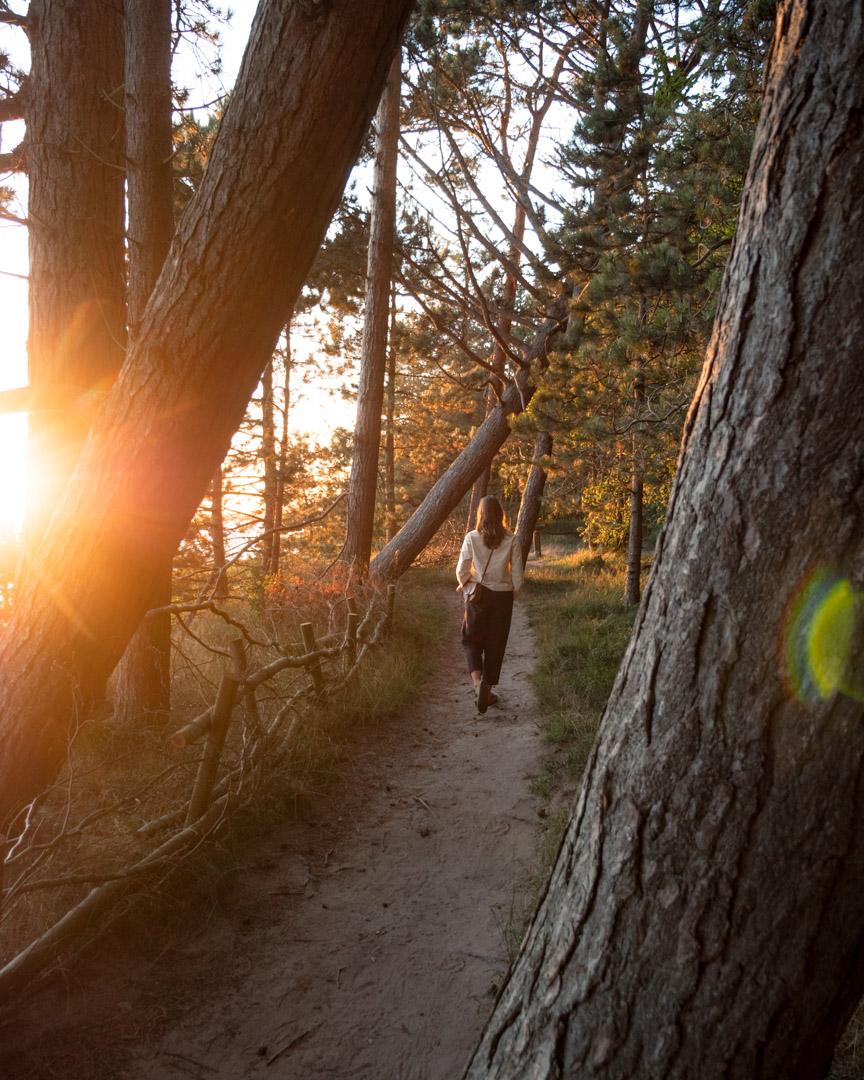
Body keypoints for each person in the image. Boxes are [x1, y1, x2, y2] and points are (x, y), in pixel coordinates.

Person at [456, 494, 524, 713]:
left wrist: (468, 583)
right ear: (500, 515)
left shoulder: (472, 538)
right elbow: (518, 578)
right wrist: (510, 596)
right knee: (496, 645)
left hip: (479, 594)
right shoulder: (512, 539)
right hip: (502, 598)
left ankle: (477, 685)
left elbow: (461, 571)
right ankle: (488, 689)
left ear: (481, 514)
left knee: (471, 639)